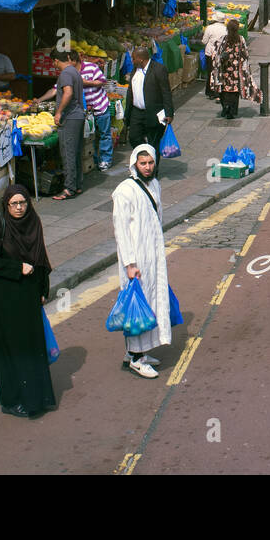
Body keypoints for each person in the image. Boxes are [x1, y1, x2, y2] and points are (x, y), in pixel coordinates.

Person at [0, 184, 56, 417]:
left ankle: (37, 398)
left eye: (23, 203)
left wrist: (43, 289)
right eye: (14, 204)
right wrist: (16, 267)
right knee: (11, 349)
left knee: (31, 346)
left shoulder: (34, 222)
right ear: (6, 205)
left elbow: (41, 257)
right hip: (5, 298)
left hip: (29, 295)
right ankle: (12, 400)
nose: (19, 208)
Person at [113, 144, 172, 378]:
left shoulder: (155, 185)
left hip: (153, 256)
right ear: (134, 165)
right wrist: (130, 263)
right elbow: (121, 230)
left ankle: (138, 352)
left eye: (150, 163)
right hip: (136, 260)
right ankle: (136, 358)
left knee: (149, 303)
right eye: (142, 163)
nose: (147, 167)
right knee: (137, 306)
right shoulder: (124, 191)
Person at [36, 50, 85, 200]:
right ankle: (76, 185)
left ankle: (69, 188)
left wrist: (58, 112)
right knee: (76, 152)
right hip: (78, 116)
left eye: (54, 62)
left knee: (68, 152)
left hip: (70, 117)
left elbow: (68, 93)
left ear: (56, 61)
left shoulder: (65, 74)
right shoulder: (75, 71)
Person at [125, 45, 173, 163]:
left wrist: (169, 112)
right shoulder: (135, 70)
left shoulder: (159, 69)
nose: (132, 61)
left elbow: (166, 92)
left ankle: (152, 171)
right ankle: (145, 153)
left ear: (140, 59)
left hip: (153, 113)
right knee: (133, 137)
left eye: (133, 58)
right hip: (137, 112)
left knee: (153, 143)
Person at [215, 18, 260, 119]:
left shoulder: (223, 39)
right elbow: (245, 54)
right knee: (234, 91)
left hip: (225, 70)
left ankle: (225, 106)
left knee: (225, 90)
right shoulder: (241, 39)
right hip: (236, 71)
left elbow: (217, 52)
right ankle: (231, 111)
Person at [79, 53, 113, 171]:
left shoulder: (91, 67)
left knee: (105, 134)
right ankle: (93, 160)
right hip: (86, 110)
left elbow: (102, 81)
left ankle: (106, 160)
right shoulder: (70, 71)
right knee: (90, 136)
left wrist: (86, 82)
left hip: (100, 105)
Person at [201, 11, 229, 99]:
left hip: (210, 53)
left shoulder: (209, 28)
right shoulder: (226, 29)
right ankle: (219, 92)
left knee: (210, 72)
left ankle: (211, 92)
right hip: (221, 53)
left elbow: (204, 41)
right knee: (220, 72)